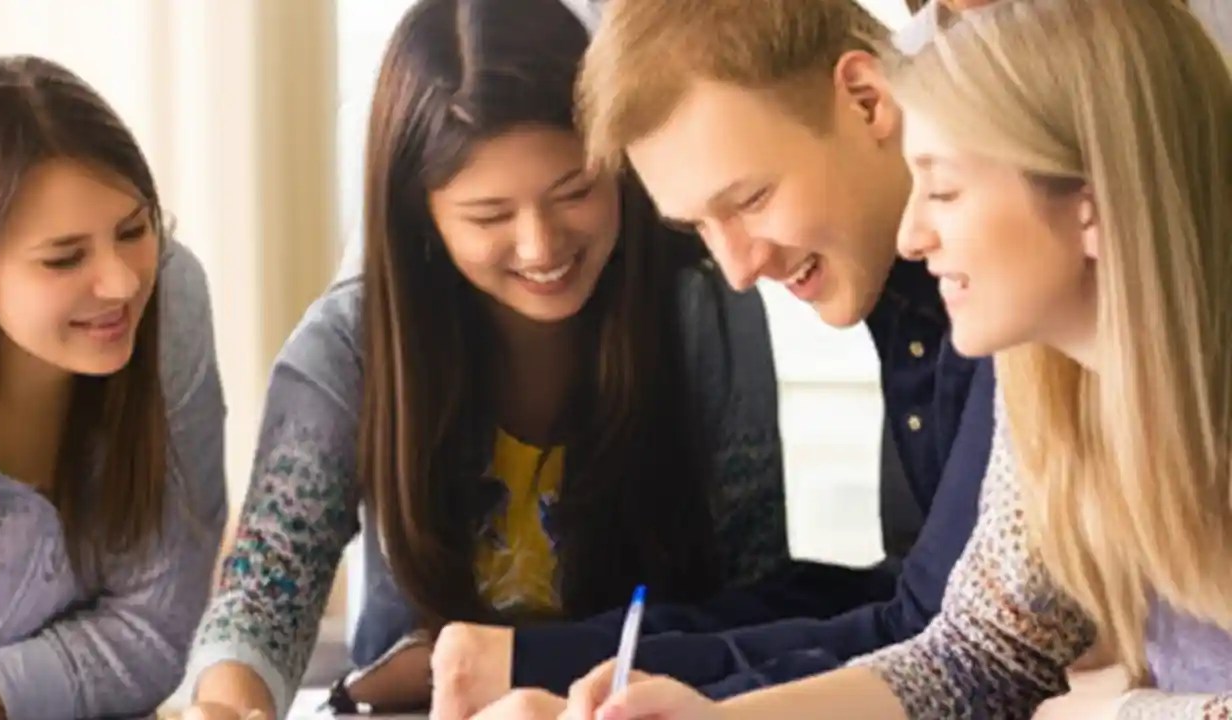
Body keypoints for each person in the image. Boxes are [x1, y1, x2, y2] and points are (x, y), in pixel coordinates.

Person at [497, 0, 1232, 717]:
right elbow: (977, 658)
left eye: (942, 189)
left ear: (1091, 202)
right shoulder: (1045, 376)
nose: (914, 233)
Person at [176, 0, 793, 717]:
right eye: (490, 216)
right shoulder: (351, 343)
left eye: (575, 192)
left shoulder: (702, 304)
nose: (541, 247)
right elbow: (267, 587)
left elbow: (758, 589)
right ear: (421, 214)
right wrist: (225, 704)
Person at [427, 0, 998, 715]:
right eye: (700, 224)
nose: (737, 268)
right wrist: (538, 662)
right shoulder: (890, 284)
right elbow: (915, 593)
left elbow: (945, 643)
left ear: (864, 100)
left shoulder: (1005, 287)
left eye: (751, 199)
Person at [0, 56, 226, 719]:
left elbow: (159, 630)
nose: (123, 283)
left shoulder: (171, 304)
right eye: (65, 257)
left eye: (133, 231)